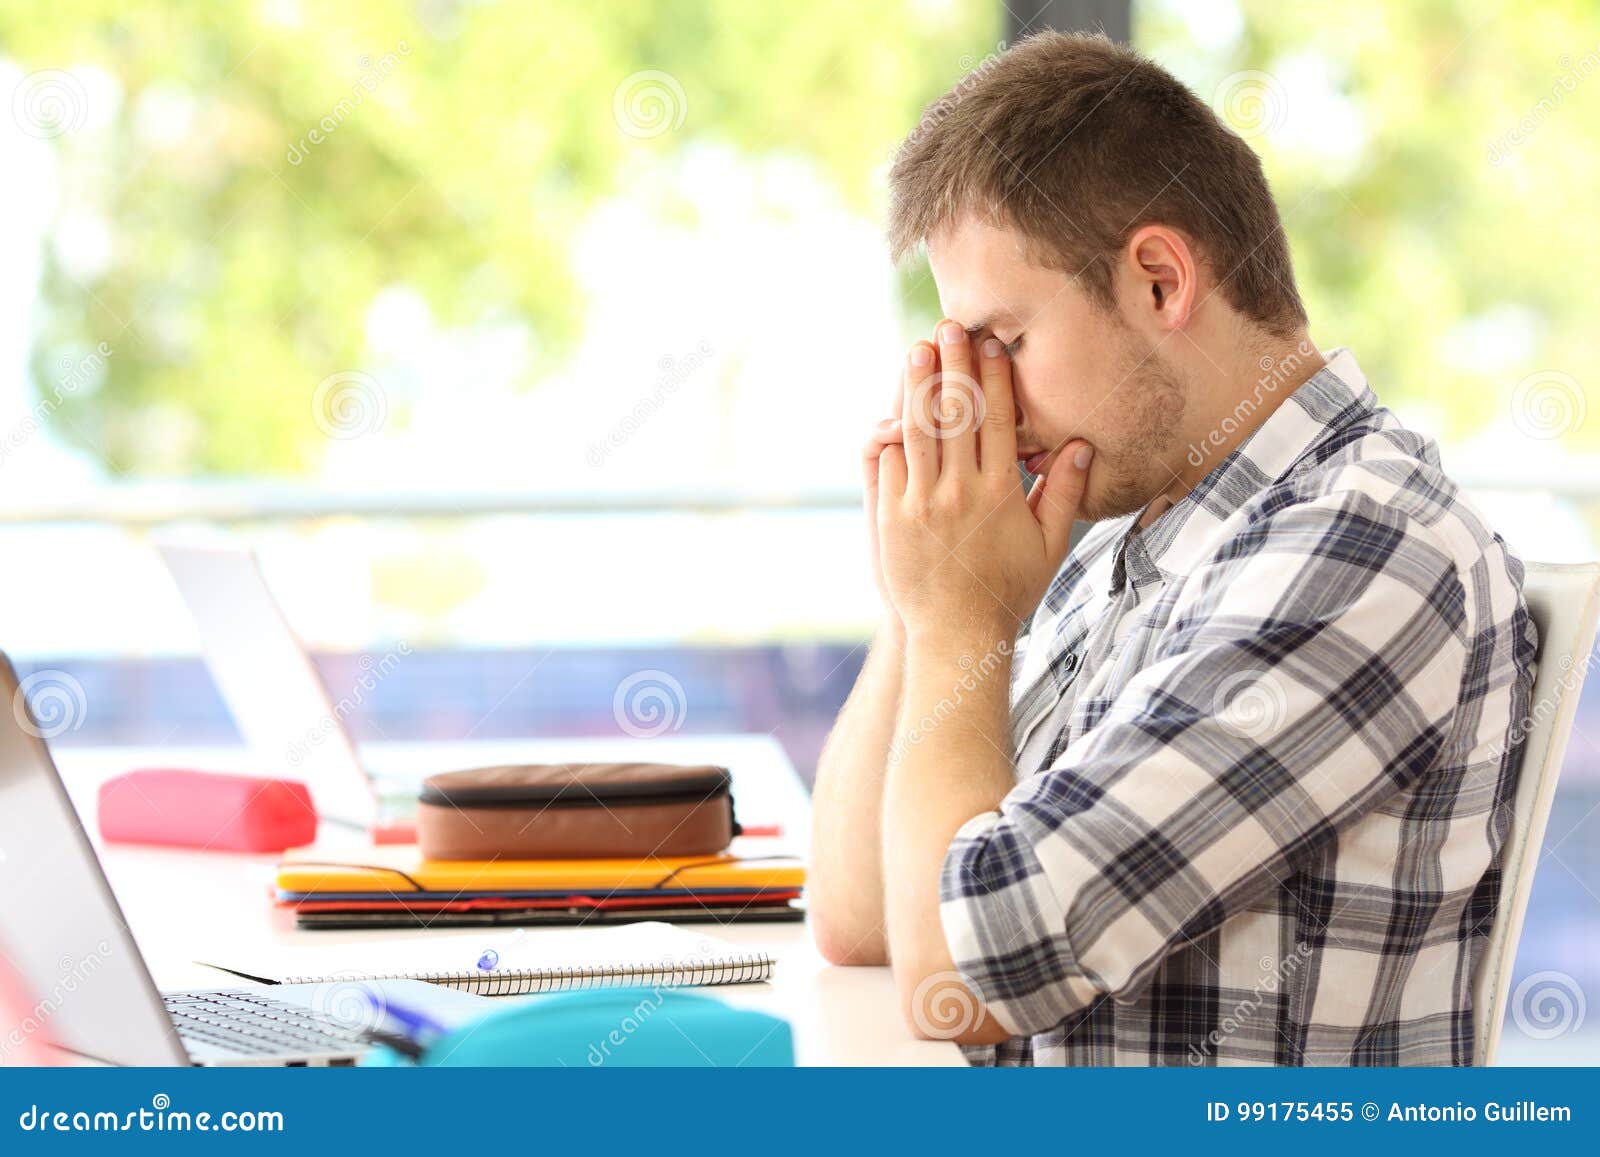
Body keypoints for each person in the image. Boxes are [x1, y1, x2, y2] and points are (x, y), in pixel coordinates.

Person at [808, 31, 1536, 1066]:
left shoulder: (1359, 551)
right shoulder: (1134, 540)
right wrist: (922, 587)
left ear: (1157, 280)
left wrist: (956, 614)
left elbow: (950, 982)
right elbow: (863, 918)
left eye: (1002, 340)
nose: (982, 397)